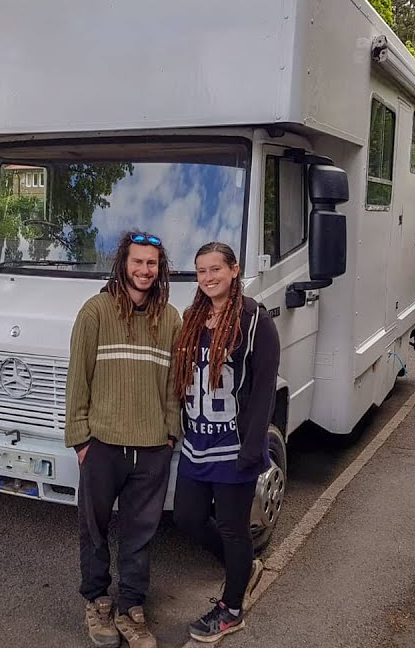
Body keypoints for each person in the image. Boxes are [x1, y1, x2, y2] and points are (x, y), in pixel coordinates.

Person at [66, 230, 183, 648]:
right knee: (93, 530)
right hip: (102, 446)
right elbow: (77, 378)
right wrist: (81, 439)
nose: (144, 270)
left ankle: (131, 606)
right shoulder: (95, 311)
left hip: (152, 449)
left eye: (152, 263)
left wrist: (170, 433)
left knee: (140, 534)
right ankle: (97, 602)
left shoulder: (170, 318)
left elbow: (174, 384)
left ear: (159, 268)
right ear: (123, 264)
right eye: (138, 262)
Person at [170, 241, 280, 643]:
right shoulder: (193, 317)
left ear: (234, 270)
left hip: (233, 447)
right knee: (187, 517)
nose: (208, 277)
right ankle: (243, 568)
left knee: (234, 529)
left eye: (216, 269)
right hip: (197, 443)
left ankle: (232, 609)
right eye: (201, 271)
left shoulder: (255, 321)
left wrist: (252, 449)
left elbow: (265, 387)